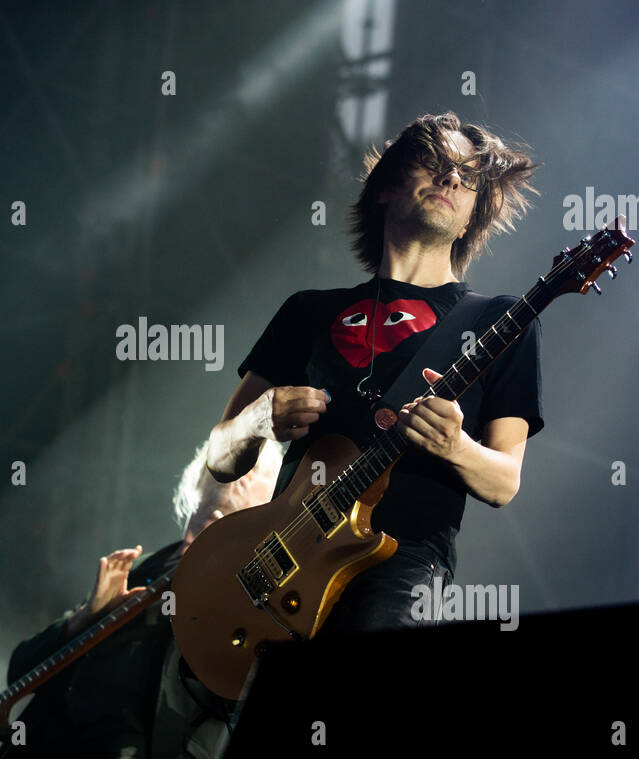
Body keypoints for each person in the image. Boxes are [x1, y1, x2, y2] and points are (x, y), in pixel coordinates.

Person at [204, 111, 545, 634]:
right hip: (283, 565)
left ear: (473, 212)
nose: (452, 178)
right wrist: (257, 420)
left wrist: (456, 447)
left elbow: (503, 483)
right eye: (434, 163)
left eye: (467, 177)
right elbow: (220, 457)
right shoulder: (308, 311)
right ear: (385, 187)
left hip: (399, 565)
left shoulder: (498, 320)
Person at [0, 439, 281, 759]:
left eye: (256, 470)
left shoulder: (252, 586)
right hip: (54, 745)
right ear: (198, 481)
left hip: (142, 754)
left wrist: (211, 572)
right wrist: (87, 616)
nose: (242, 475)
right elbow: (21, 668)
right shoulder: (137, 568)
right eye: (237, 462)